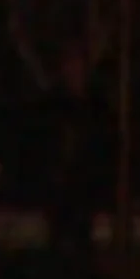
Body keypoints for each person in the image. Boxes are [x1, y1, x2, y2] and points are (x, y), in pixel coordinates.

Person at [38, 46, 108, 258]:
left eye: (79, 67)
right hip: (60, 188)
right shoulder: (54, 106)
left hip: (84, 187)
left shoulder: (95, 107)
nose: (75, 72)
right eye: (70, 66)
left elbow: (100, 147)